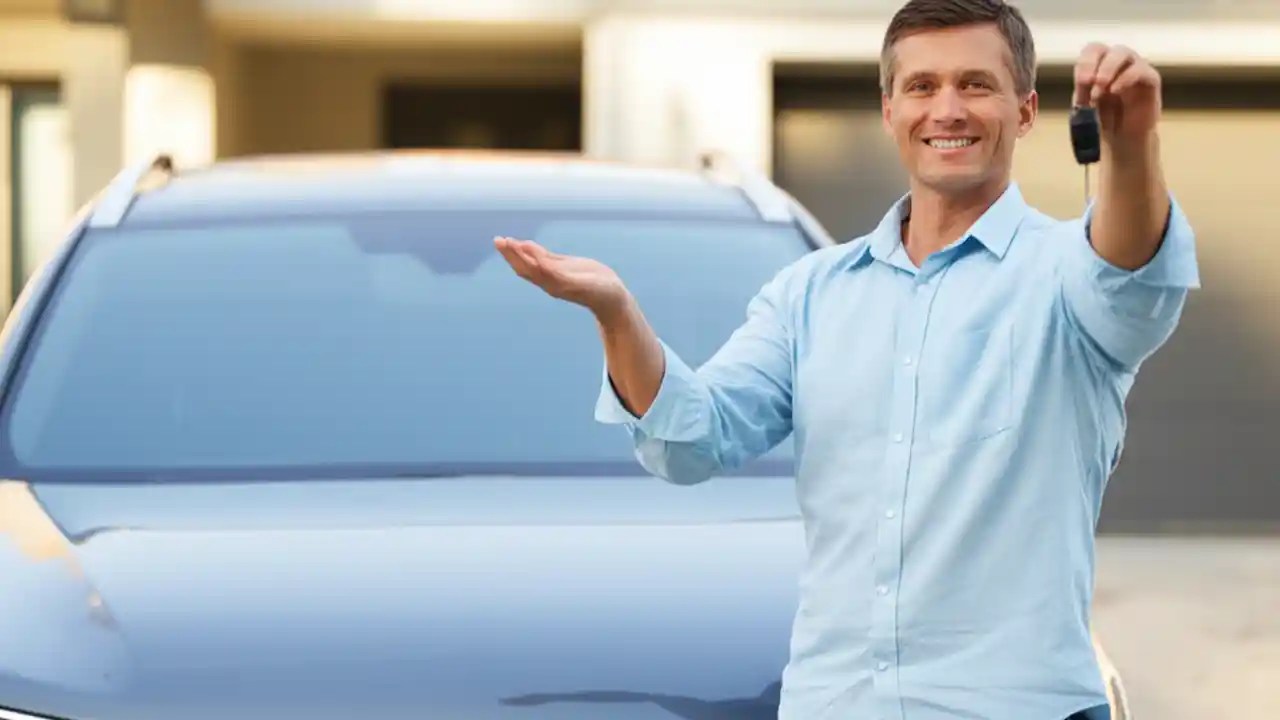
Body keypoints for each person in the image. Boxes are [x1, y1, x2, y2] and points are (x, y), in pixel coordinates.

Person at [495, 0, 1198, 717]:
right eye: (922, 87)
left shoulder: (1066, 275)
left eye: (975, 85)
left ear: (1024, 112)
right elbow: (691, 439)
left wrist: (1132, 143)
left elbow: (1133, 282)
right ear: (889, 109)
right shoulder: (810, 294)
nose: (947, 109)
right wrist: (617, 311)